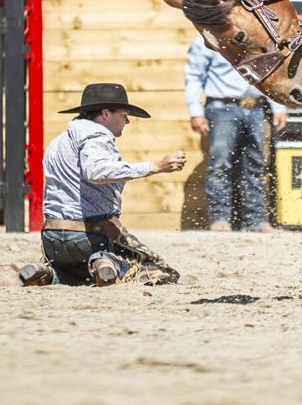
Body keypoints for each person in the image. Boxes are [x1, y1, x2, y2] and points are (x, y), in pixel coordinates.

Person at [13, 83, 186, 287]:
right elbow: (97, 172)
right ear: (105, 113)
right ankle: (107, 262)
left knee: (80, 277)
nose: (128, 121)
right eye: (124, 114)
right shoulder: (96, 134)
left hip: (52, 239)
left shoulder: (58, 142)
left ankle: (48, 273)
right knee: (159, 271)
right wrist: (155, 166)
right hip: (89, 236)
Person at [185, 34, 289, 232]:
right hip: (222, 106)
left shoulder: (259, 36)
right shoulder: (207, 40)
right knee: (220, 164)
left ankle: (256, 220)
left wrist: (279, 106)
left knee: (256, 165)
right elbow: (194, 76)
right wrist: (196, 112)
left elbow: (273, 72)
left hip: (257, 107)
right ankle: (220, 218)